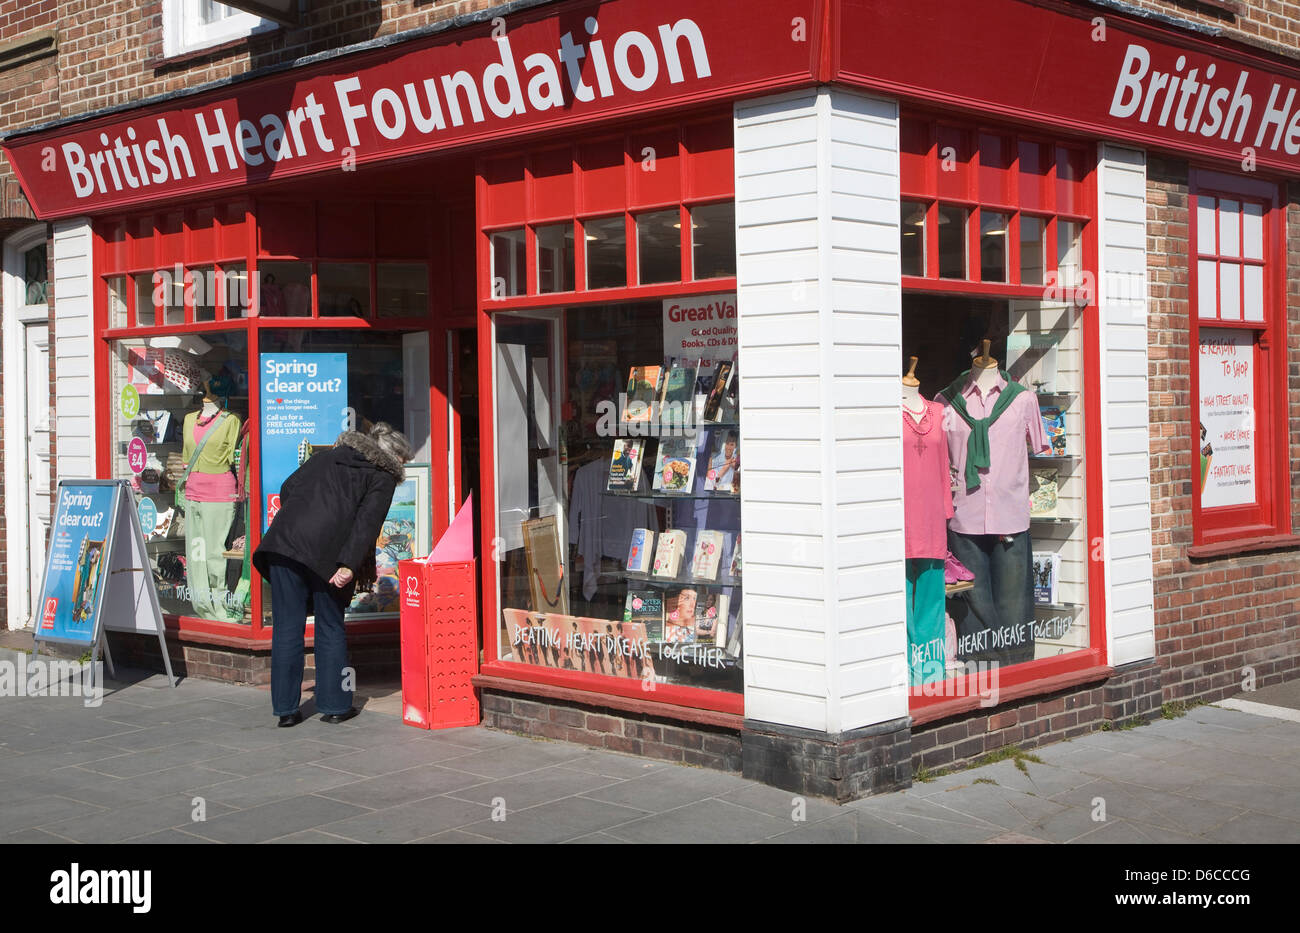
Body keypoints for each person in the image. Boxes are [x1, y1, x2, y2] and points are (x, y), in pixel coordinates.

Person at [253, 423, 413, 727]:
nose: (402, 467)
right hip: (329, 557)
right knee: (330, 627)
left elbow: (288, 489)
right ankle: (337, 706)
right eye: (403, 461)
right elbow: (367, 524)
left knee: (287, 629)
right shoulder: (382, 477)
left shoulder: (326, 457)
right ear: (392, 457)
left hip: (284, 546)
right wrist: (349, 565)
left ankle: (286, 711)